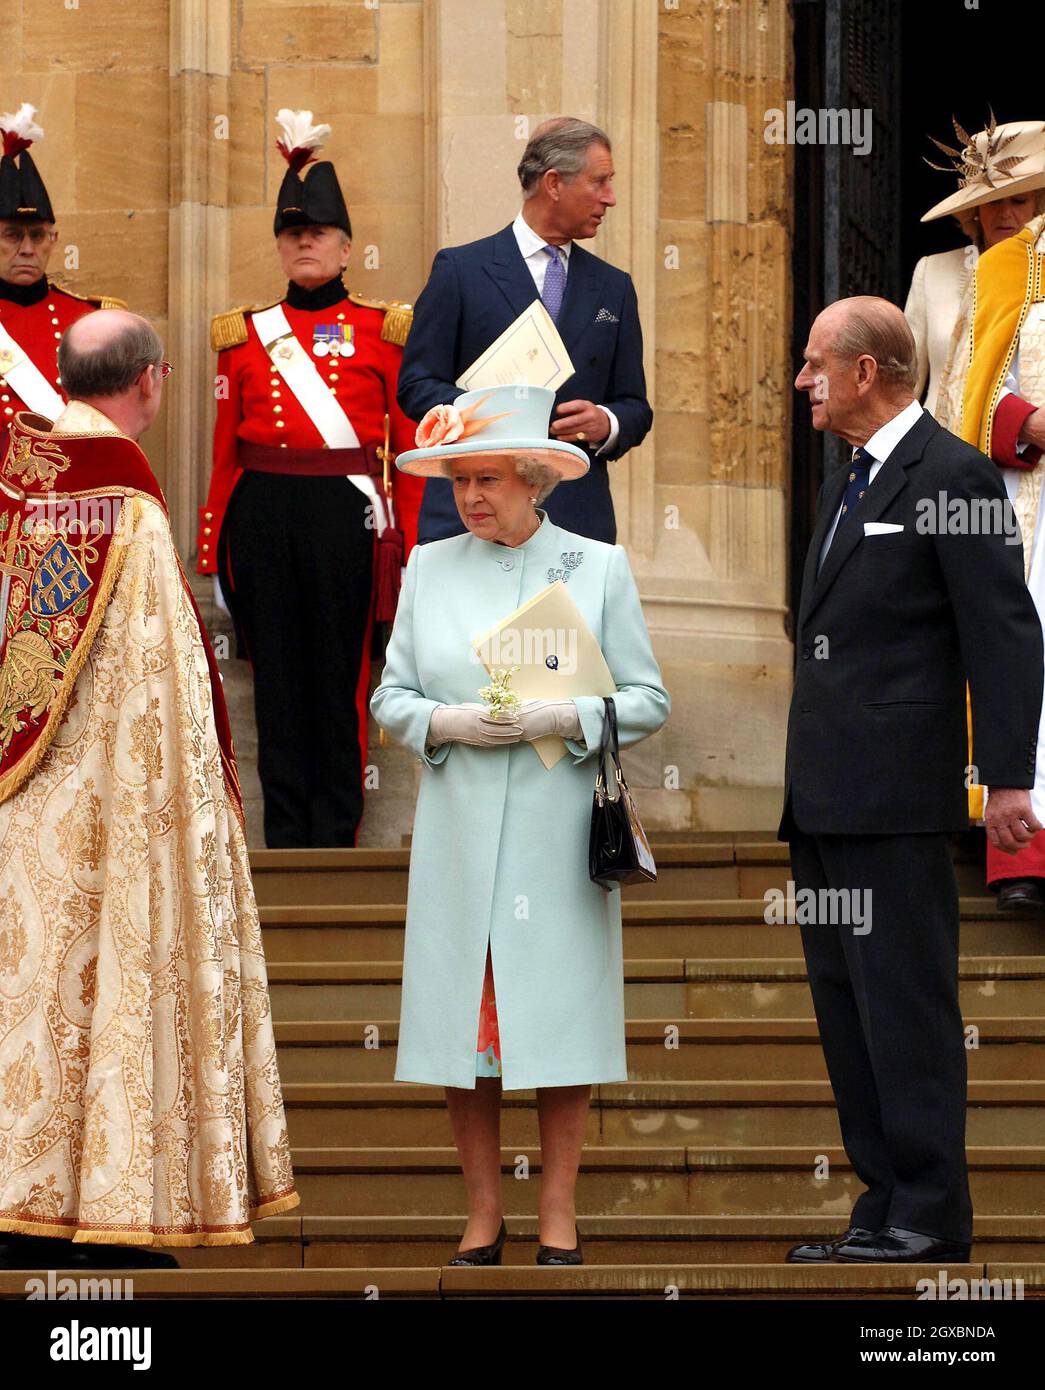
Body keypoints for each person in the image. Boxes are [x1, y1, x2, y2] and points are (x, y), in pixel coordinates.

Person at [0, 310, 298, 1270]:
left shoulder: (19, 484)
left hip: (21, 809)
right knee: (114, 995)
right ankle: (107, 1209)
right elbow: (165, 688)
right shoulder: (130, 500)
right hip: (119, 812)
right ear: (153, 384)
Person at [371, 383, 669, 1265]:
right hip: (460, 833)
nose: (471, 497)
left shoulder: (596, 565)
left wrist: (565, 718)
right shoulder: (428, 567)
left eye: (490, 479)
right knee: (469, 1031)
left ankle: (559, 1214)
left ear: (535, 479)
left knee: (559, 1024)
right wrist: (442, 724)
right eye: (461, 480)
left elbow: (648, 698)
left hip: (554, 831)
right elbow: (391, 694)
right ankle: (483, 1214)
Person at [782, 296, 1042, 1265]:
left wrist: (1008, 780)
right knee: (846, 1012)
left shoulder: (954, 473)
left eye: (816, 365)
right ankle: (880, 1199)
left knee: (904, 1008)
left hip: (895, 801)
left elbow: (1005, 635)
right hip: (821, 797)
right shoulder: (847, 479)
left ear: (865, 373)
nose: (802, 381)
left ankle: (929, 1214)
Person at [196, 109, 424, 848]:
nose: (303, 243)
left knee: (340, 678)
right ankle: (287, 832)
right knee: (278, 684)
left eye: (317, 233)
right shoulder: (242, 336)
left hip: (345, 512)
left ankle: (336, 832)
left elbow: (411, 450)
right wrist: (213, 545)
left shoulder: (383, 331)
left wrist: (414, 549)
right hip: (263, 510)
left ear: (346, 247)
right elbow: (225, 452)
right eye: (291, 234)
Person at [397, 117, 652, 546]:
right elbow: (416, 386)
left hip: (574, 519)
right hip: (471, 517)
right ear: (553, 183)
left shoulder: (615, 287)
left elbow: (635, 407)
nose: (610, 198)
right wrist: (492, 413)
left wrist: (605, 422)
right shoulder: (460, 270)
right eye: (600, 182)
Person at [932, 127, 1045, 910]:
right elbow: (965, 394)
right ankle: (1024, 857)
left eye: (1020, 202)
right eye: (994, 206)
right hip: (1032, 511)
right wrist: (1025, 426)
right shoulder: (1008, 270)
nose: (1007, 220)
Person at [0, 102, 124, 449]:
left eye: (38, 235)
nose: (27, 248)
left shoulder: (89, 320)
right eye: (12, 235)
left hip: (71, 494)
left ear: (53, 241)